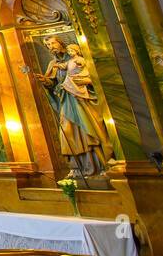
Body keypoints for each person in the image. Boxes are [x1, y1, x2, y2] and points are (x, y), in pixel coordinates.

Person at [37, 38, 111, 177]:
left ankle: (102, 164)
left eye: (53, 43)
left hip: (81, 99)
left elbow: (90, 76)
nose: (50, 47)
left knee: (88, 129)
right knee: (68, 131)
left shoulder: (76, 59)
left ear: (61, 43)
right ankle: (77, 167)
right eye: (47, 45)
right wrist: (45, 81)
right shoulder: (53, 64)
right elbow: (52, 83)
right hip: (66, 101)